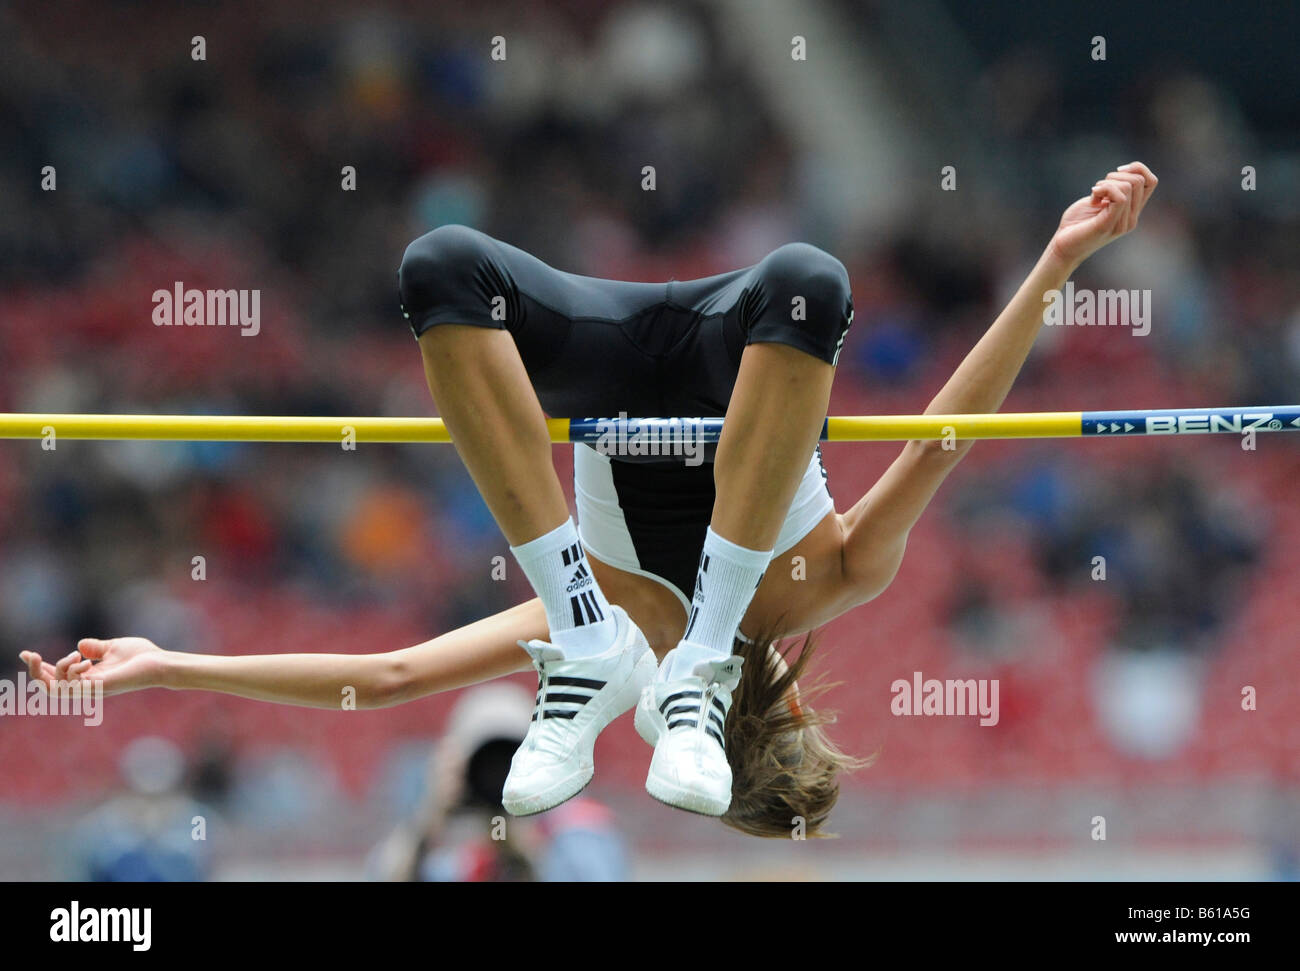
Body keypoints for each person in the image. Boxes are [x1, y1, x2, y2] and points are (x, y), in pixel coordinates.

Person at [21, 163, 1158, 837]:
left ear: (800, 714)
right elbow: (385, 681)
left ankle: (572, 604)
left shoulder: (767, 597)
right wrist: (164, 664)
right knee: (446, 265)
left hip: (645, 351)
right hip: (727, 344)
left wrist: (1056, 265)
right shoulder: (828, 573)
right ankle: (705, 624)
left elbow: (949, 431)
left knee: (468, 268)